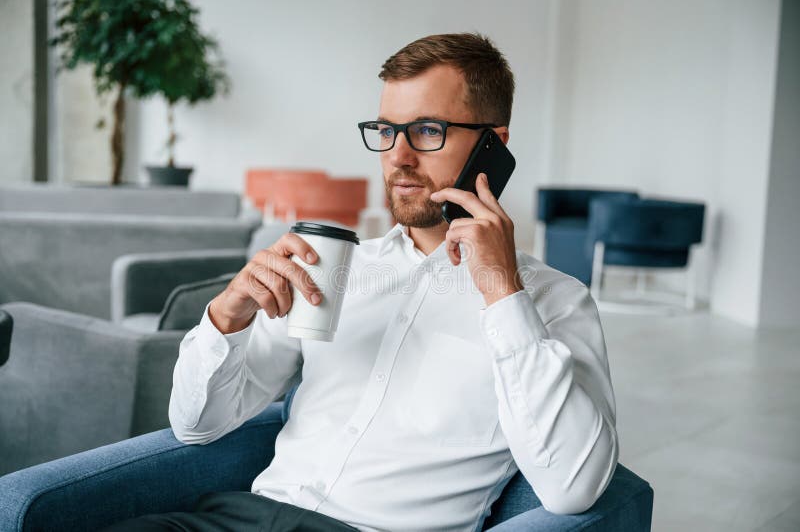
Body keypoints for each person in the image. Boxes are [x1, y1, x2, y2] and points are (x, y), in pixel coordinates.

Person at [107, 32, 618, 531]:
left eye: (426, 131)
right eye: (386, 130)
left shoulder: (553, 301)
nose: (397, 156)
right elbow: (196, 426)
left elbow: (573, 488)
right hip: (239, 516)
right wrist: (227, 319)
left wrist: (502, 292)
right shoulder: (336, 266)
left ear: (493, 144)